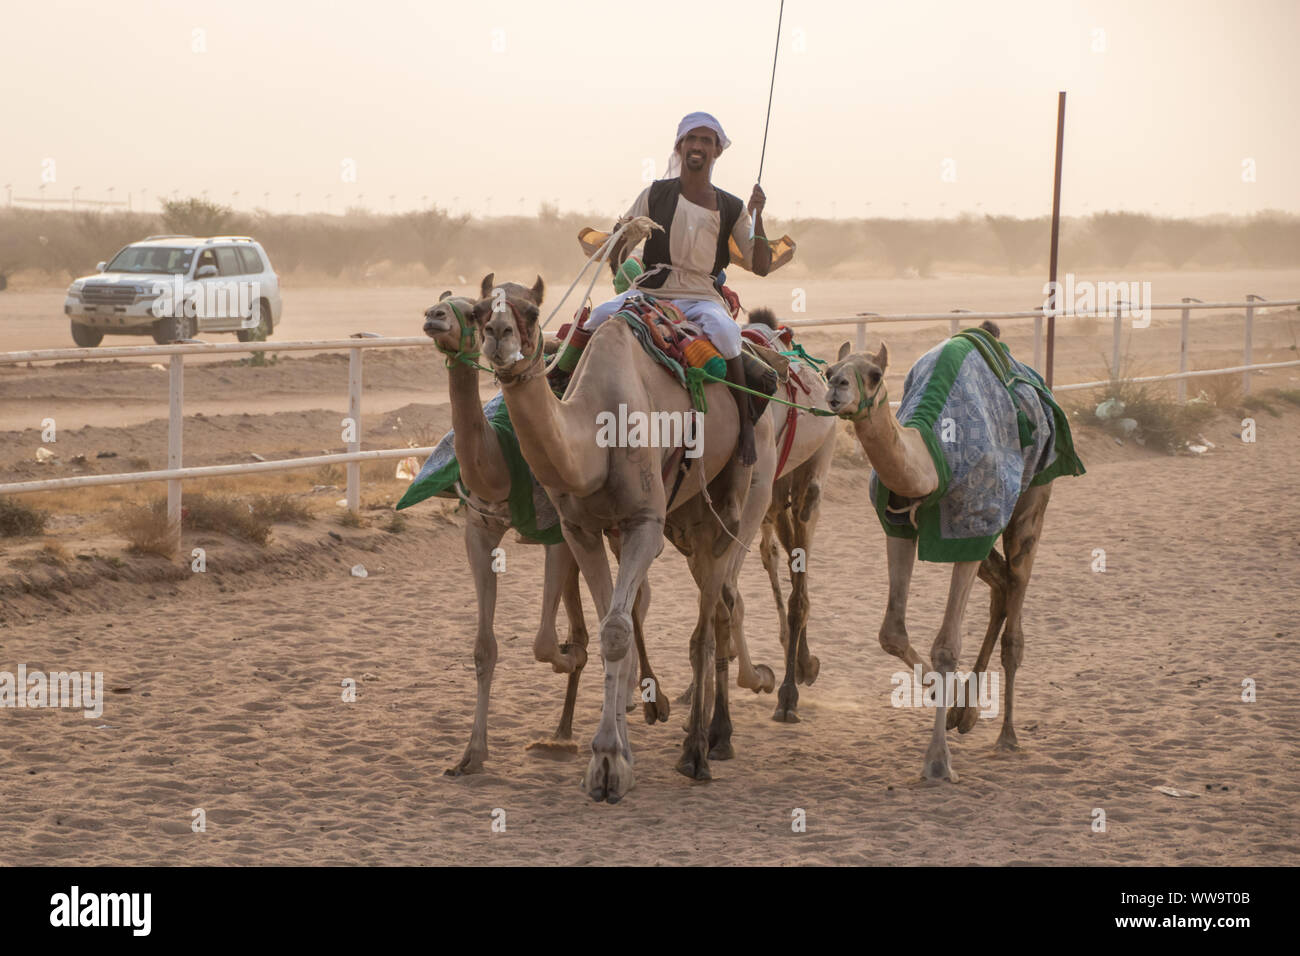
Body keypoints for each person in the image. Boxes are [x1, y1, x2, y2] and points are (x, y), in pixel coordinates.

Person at [584, 111, 774, 465]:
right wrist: (621, 237)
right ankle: (563, 391)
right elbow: (620, 245)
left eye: (706, 141)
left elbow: (760, 265)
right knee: (598, 316)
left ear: (717, 151)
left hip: (701, 295)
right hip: (652, 292)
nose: (698, 146)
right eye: (692, 139)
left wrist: (758, 214)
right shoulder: (655, 193)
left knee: (726, 331)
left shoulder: (732, 207)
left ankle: (745, 423)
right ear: (680, 146)